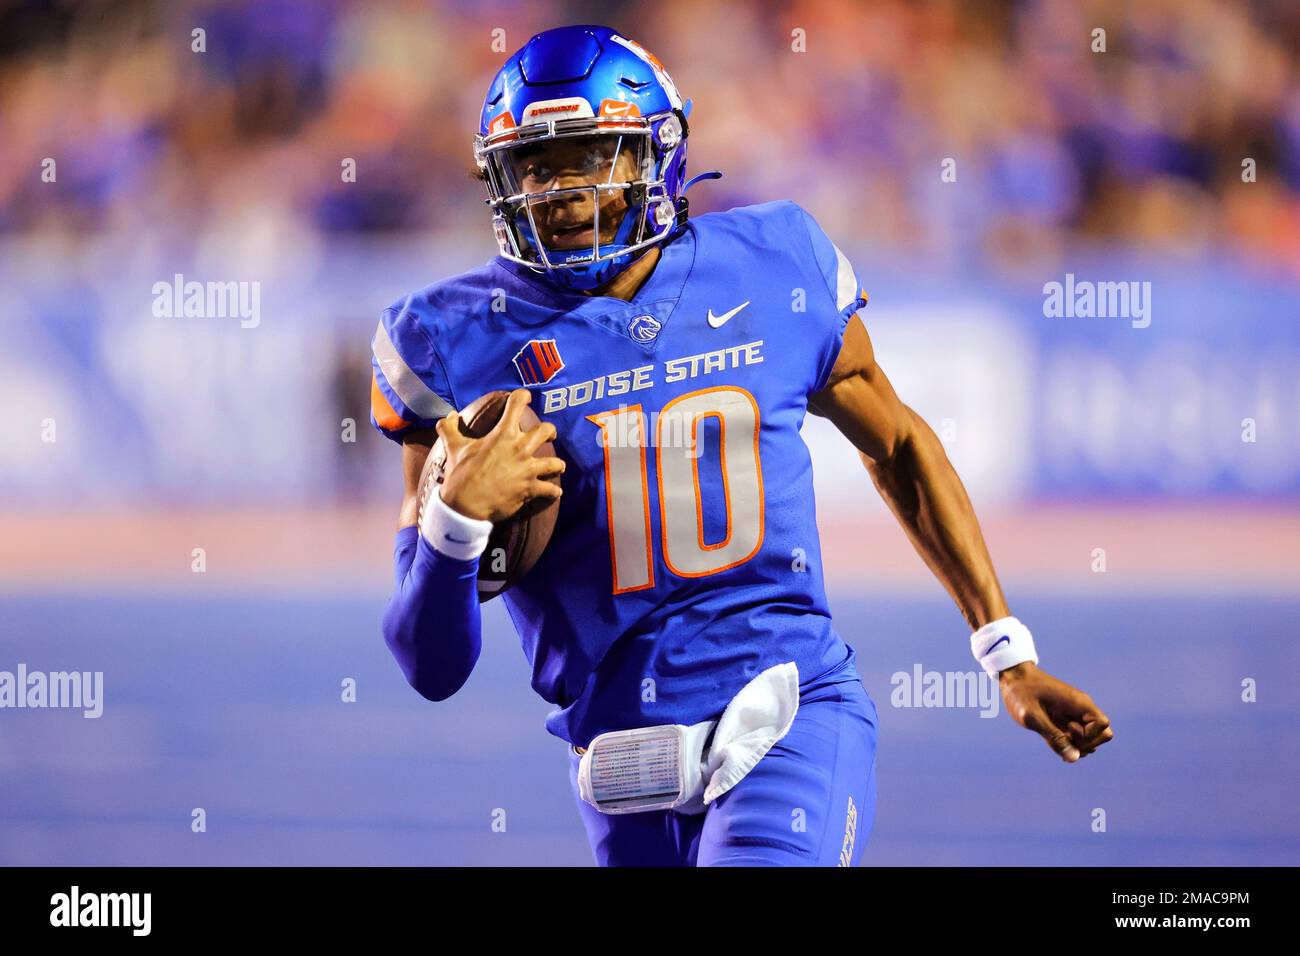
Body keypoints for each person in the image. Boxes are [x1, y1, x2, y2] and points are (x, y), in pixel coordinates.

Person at [369, 24, 1113, 867]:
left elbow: (898, 445)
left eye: (589, 157)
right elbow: (430, 665)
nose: (560, 192)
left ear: (656, 154)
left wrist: (1004, 649)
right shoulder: (451, 343)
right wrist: (456, 525)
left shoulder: (773, 262)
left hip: (786, 712)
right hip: (620, 769)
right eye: (535, 166)